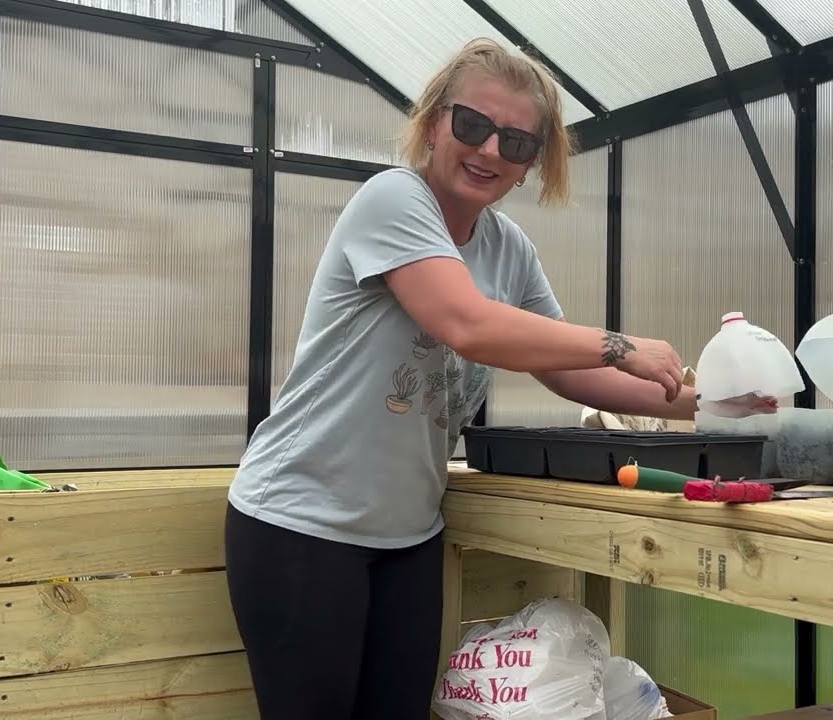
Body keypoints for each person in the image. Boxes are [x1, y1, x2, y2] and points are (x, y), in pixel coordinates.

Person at [223, 38, 772, 719]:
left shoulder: (508, 248)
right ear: (433, 124)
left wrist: (713, 405)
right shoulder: (392, 199)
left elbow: (568, 373)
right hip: (301, 528)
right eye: (472, 126)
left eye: (515, 143)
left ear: (530, 167)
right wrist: (618, 344)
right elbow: (467, 323)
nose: (488, 152)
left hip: (407, 538)